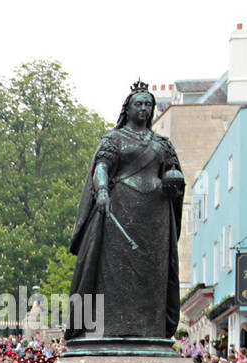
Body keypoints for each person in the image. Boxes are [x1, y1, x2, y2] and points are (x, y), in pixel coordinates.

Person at [68, 82, 184, 339]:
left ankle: (150, 330)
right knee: (115, 273)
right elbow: (102, 167)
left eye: (148, 105)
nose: (144, 109)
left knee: (153, 275)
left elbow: (173, 173)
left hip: (156, 217)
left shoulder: (162, 144)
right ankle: (109, 328)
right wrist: (102, 191)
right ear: (128, 108)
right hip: (121, 210)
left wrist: (175, 185)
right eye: (138, 104)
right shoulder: (114, 139)